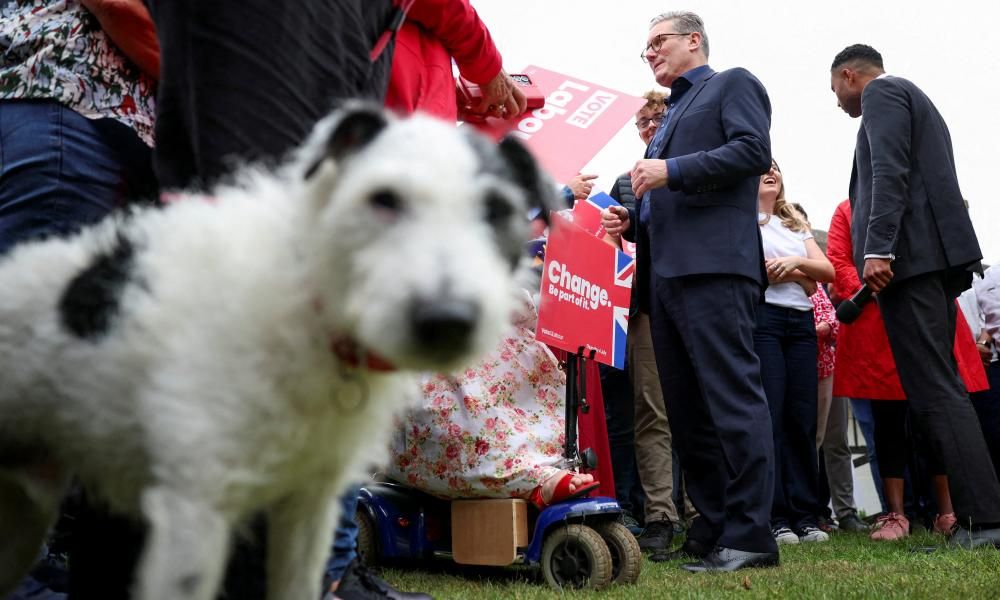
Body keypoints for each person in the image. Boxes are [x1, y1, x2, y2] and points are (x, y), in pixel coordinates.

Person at [601, 11, 777, 572]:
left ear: (693, 40)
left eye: (659, 42)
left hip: (714, 269)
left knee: (730, 398)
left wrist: (669, 170)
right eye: (645, 47)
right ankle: (714, 524)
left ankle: (751, 535)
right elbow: (661, 196)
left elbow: (752, 152)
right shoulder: (671, 109)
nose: (650, 53)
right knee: (687, 411)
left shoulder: (733, 84)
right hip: (663, 280)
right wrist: (631, 222)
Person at [830, 44, 1000, 547]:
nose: (837, 101)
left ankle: (984, 521)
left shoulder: (883, 93)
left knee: (935, 390)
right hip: (926, 264)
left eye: (835, 90)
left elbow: (890, 172)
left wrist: (877, 248)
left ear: (848, 75)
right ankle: (982, 515)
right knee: (939, 387)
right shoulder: (907, 98)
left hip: (910, 266)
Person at [606, 90, 698, 557]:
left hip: (697, 298)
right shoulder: (626, 182)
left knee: (699, 406)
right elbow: (627, 240)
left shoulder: (700, 166)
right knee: (652, 411)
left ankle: (703, 511)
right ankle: (661, 515)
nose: (646, 128)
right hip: (646, 305)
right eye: (640, 122)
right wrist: (619, 224)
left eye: (654, 118)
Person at [754, 162, 834, 545]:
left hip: (801, 325)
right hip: (764, 321)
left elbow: (826, 271)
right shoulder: (743, 220)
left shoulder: (794, 220)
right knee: (773, 416)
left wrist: (799, 267)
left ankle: (806, 515)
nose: (771, 170)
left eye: (776, 167)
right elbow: (758, 271)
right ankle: (777, 516)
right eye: (762, 167)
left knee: (802, 418)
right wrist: (804, 278)